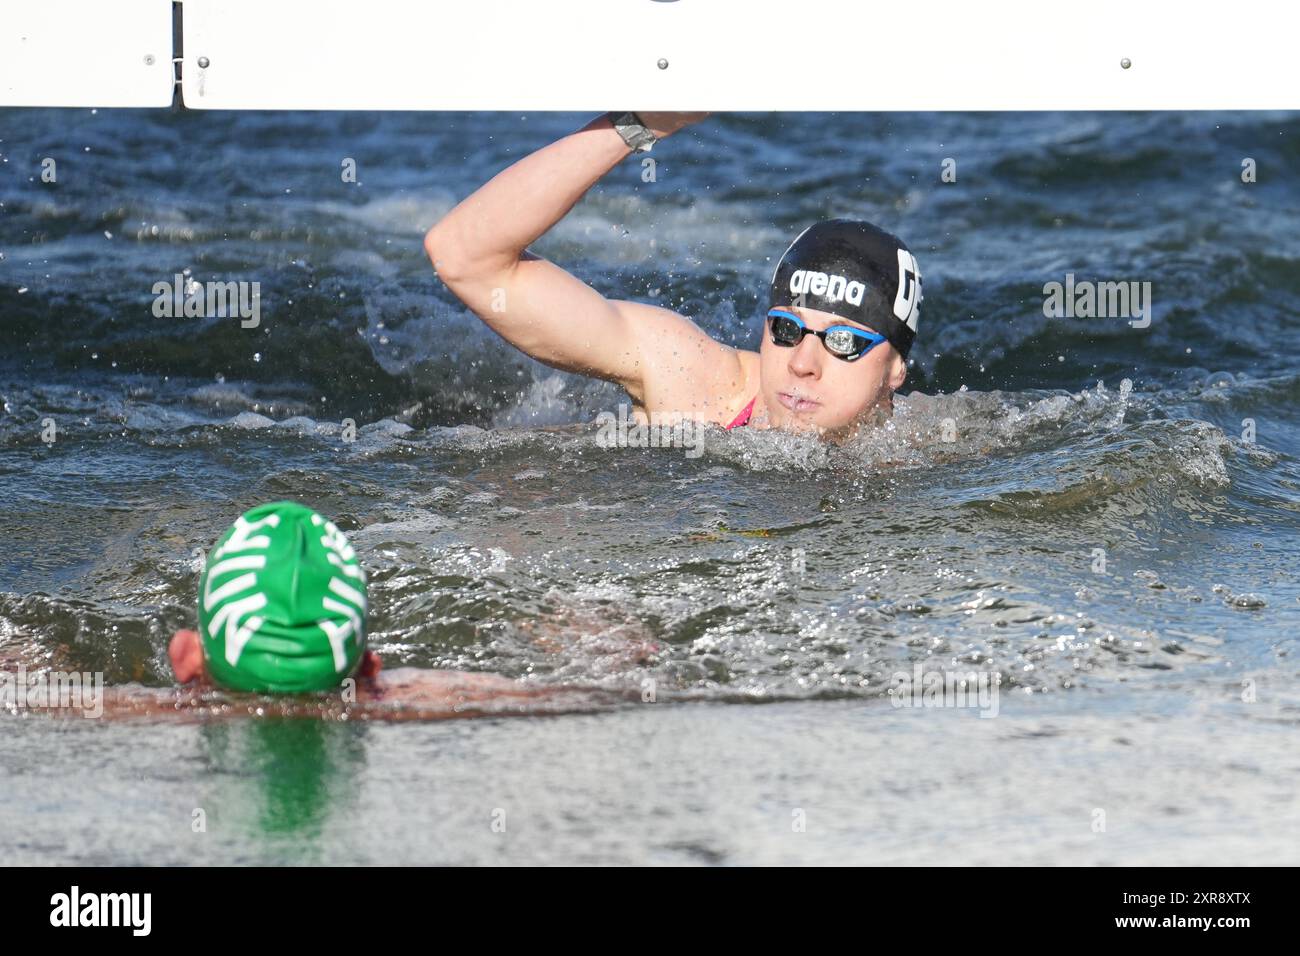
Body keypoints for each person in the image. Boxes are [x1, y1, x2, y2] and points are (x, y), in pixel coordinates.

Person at [423, 111, 924, 440]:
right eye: (788, 330)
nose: (802, 364)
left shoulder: (934, 446)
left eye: (842, 341)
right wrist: (637, 124)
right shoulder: (692, 384)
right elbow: (465, 255)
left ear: (896, 369)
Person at [46, 502, 616, 721]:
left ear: (186, 656)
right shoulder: (419, 700)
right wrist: (610, 641)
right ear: (370, 666)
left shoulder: (133, 715)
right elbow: (599, 692)